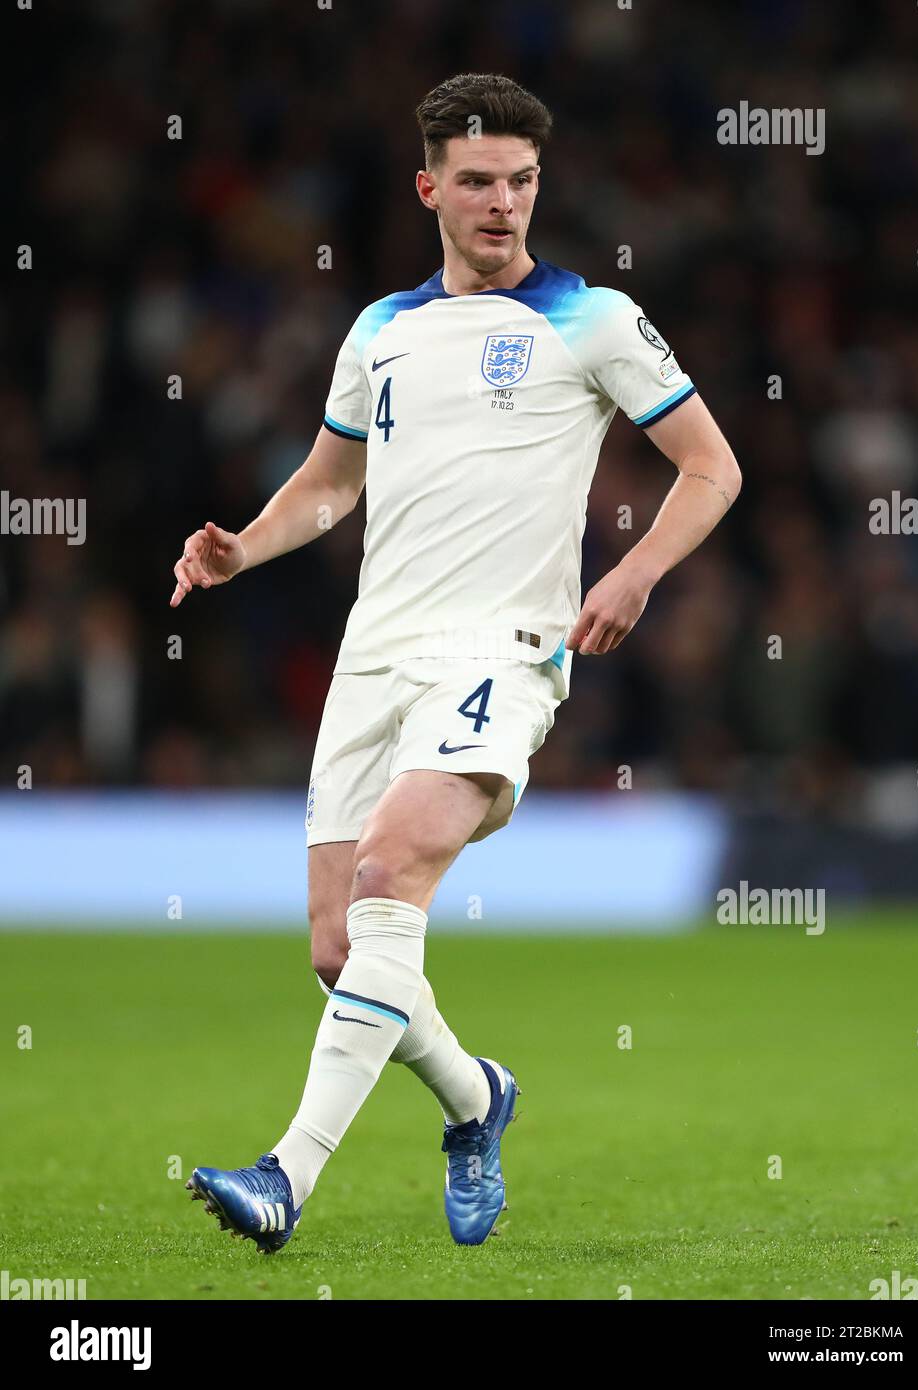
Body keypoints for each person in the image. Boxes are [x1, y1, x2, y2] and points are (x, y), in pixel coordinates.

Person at [171, 72, 741, 1253]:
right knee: (338, 949)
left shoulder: (592, 316)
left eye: (521, 181)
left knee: (390, 876)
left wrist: (630, 573)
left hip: (502, 652)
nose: (502, 203)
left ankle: (285, 1175)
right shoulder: (379, 328)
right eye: (477, 181)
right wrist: (242, 548)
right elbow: (330, 486)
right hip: (373, 654)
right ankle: (479, 1098)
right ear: (429, 186)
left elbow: (711, 466)